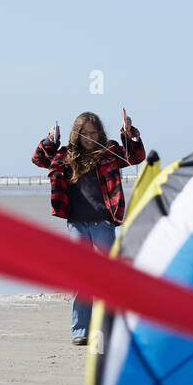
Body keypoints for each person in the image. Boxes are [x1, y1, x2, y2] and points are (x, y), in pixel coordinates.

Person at [32, 111, 145, 345]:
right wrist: (50, 141)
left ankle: (112, 328)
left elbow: (135, 157)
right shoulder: (65, 155)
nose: (89, 137)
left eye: (93, 132)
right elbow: (39, 160)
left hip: (103, 222)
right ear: (77, 134)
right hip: (77, 224)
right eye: (84, 133)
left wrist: (129, 134)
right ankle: (80, 331)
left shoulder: (109, 152)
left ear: (100, 133)